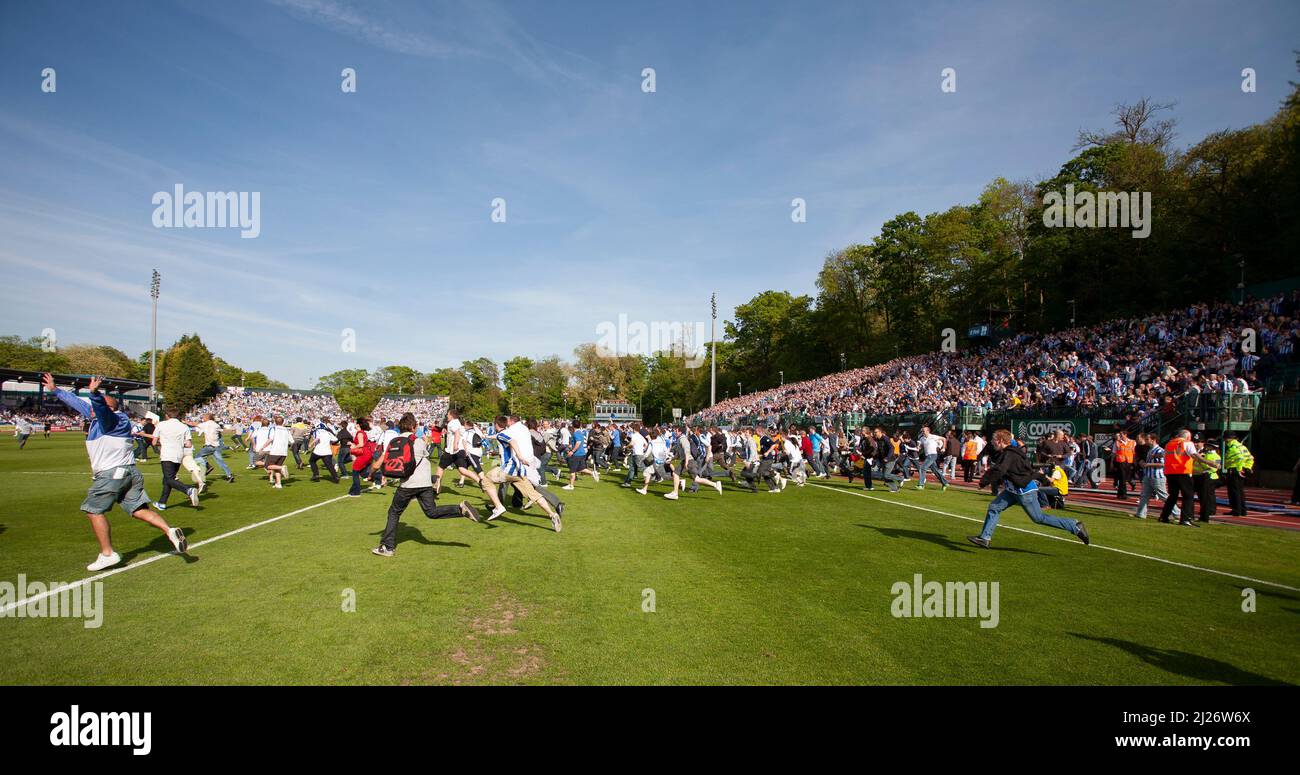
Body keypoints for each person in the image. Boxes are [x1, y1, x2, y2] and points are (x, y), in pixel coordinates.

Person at [44, 373, 188, 571]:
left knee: (93, 510)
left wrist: (94, 394)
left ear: (107, 408)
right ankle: (169, 530)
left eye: (96, 407)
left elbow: (99, 409)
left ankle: (108, 553)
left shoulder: (114, 420)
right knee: (138, 510)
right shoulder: (103, 418)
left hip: (112, 474)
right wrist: (55, 390)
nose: (91, 410)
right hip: (129, 473)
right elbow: (82, 405)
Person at [372, 413, 480, 557]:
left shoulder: (394, 441)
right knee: (431, 512)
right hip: (424, 483)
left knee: (394, 512)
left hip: (408, 484)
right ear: (414, 427)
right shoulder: (418, 441)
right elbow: (423, 457)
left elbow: (379, 463)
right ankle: (460, 509)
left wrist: (371, 473)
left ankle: (387, 547)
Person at [967, 430, 1089, 549]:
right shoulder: (1009, 451)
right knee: (994, 507)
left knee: (1039, 518)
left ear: (1000, 441)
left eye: (994, 440)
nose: (991, 443)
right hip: (1013, 490)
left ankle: (1074, 526)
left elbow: (1000, 469)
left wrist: (983, 482)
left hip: (1024, 492)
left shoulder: (1009, 454)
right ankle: (985, 538)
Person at [480, 415, 562, 530]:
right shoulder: (508, 432)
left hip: (508, 470)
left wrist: (519, 456)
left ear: (496, 425)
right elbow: (499, 437)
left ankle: (498, 506)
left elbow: (511, 441)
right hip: (520, 472)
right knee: (535, 495)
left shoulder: (505, 433)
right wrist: (486, 436)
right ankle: (552, 515)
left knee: (486, 480)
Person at [1158, 429, 1219, 527]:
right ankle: (1185, 519)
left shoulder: (1169, 444)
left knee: (1173, 496)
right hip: (1182, 472)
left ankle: (1164, 516)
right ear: (1187, 437)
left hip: (1170, 472)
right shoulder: (1187, 443)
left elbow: (1165, 455)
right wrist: (1209, 462)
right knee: (1188, 496)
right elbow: (1194, 455)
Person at [153, 407, 201, 508]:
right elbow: (188, 444)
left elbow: (154, 442)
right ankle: (162, 503)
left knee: (169, 478)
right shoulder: (184, 427)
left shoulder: (161, 424)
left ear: (167, 415)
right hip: (179, 454)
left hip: (167, 454)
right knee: (168, 479)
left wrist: (162, 442)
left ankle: (188, 489)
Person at [194, 413, 235, 483]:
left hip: (209, 446)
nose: (203, 418)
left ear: (207, 418)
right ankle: (229, 475)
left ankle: (208, 466)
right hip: (216, 446)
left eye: (204, 417)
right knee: (221, 462)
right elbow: (221, 431)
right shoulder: (216, 425)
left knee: (196, 457)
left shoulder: (205, 424)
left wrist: (184, 422)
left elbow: (194, 424)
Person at [1222, 432, 1256, 516]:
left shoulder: (1232, 447)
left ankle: (1236, 510)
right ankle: (1242, 510)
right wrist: (1247, 468)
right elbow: (1250, 458)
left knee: (1234, 492)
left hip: (1234, 471)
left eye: (1225, 438)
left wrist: (1239, 469)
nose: (1224, 440)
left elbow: (1239, 458)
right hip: (1240, 471)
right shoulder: (1242, 446)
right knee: (1240, 491)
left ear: (1228, 438)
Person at [1191, 438, 1221, 522]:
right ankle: (1194, 514)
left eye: (1208, 446)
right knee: (1198, 496)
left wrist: (1201, 461)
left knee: (1205, 497)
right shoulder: (1204, 453)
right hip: (1197, 475)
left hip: (1206, 476)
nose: (1206, 447)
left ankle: (1205, 516)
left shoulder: (1216, 456)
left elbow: (1212, 469)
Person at [308, 419, 340, 484]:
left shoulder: (317, 432)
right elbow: (336, 439)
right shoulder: (328, 433)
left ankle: (316, 474)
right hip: (327, 451)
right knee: (329, 465)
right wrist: (329, 442)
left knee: (312, 461)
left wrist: (311, 444)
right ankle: (335, 477)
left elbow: (317, 438)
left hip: (318, 450)